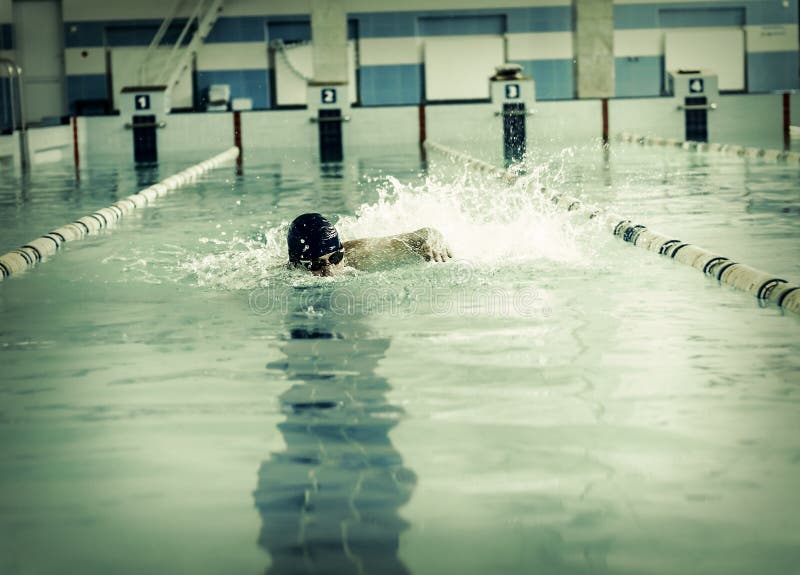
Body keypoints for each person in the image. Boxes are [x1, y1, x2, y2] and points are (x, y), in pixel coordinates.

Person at [287, 213, 452, 276]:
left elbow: (424, 234)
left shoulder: (361, 254)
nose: (330, 272)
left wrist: (434, 239)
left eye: (336, 258)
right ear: (296, 264)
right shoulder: (284, 275)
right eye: (316, 265)